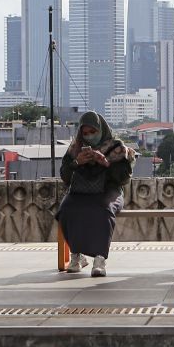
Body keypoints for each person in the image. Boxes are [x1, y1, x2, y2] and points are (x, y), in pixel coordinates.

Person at [57, 111, 135, 277]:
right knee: (66, 209)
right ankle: (76, 254)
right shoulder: (75, 148)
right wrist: (77, 162)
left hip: (109, 190)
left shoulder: (116, 147)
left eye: (93, 132)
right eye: (85, 133)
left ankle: (99, 259)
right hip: (82, 190)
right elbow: (64, 176)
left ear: (101, 129)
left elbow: (123, 178)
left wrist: (106, 163)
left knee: (103, 210)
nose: (89, 136)